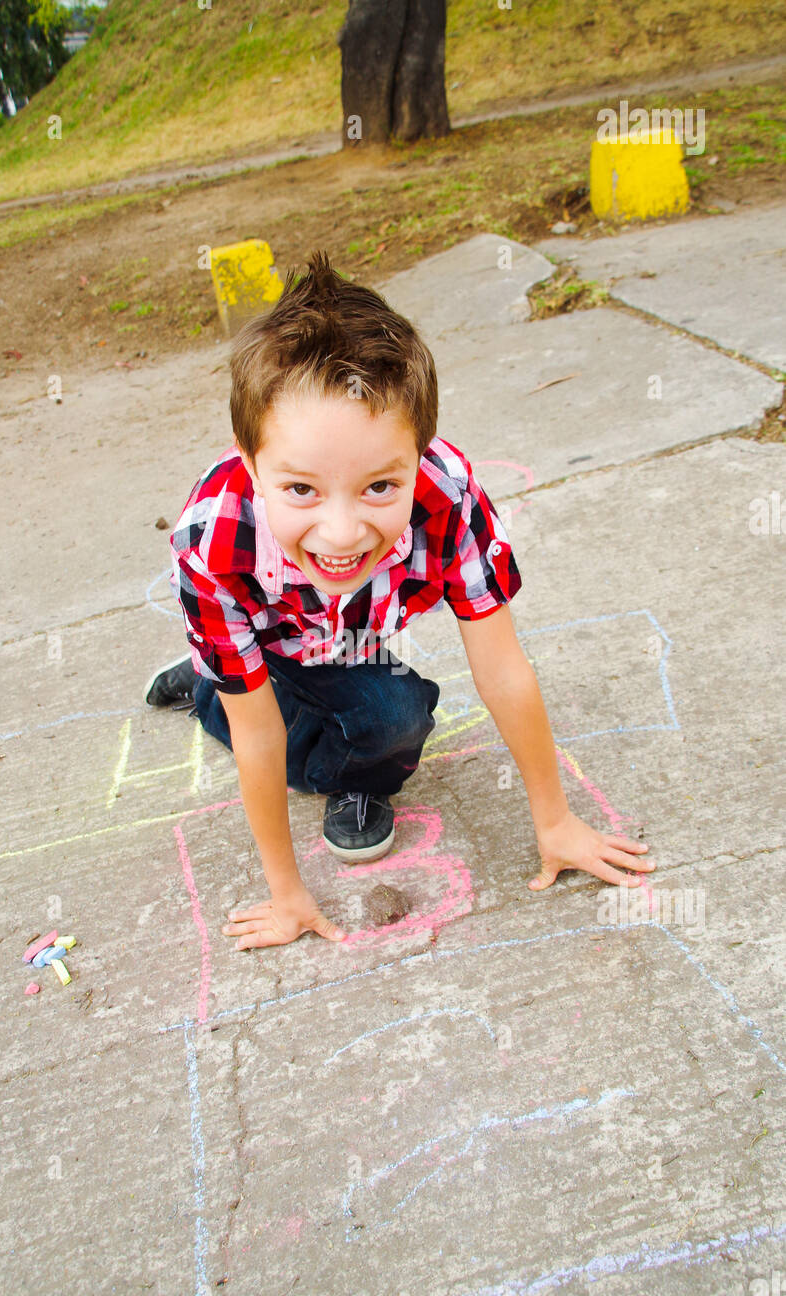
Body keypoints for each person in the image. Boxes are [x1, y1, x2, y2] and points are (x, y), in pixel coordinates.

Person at [146, 250, 655, 949]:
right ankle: (213, 679)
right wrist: (287, 893)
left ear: (419, 450)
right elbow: (258, 734)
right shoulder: (214, 540)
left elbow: (503, 668)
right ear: (247, 457)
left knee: (392, 723)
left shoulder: (449, 495)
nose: (343, 530)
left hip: (348, 640)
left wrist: (556, 820)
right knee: (353, 714)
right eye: (301, 489)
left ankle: (237, 677)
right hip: (274, 638)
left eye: (381, 486)